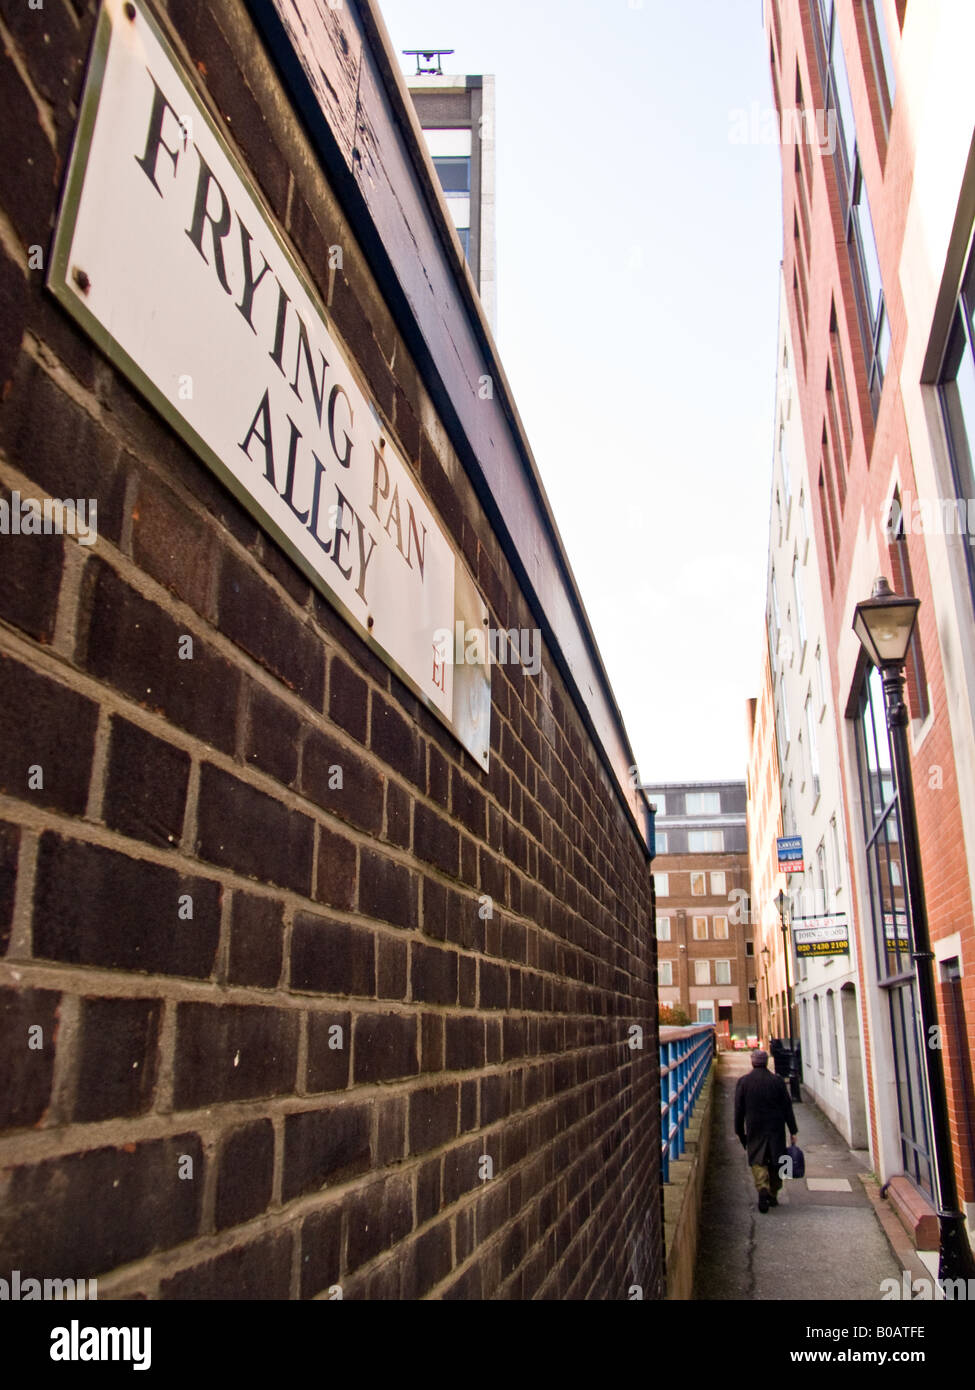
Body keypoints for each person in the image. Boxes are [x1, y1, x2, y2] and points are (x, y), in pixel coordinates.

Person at [734, 1048, 798, 1212]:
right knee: (778, 1161)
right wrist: (793, 1130)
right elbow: (787, 1107)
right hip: (776, 1128)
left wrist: (740, 1133)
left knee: (758, 1160)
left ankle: (762, 1187)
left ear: (752, 1062)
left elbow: (739, 1111)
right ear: (766, 1062)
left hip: (755, 1128)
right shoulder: (777, 1081)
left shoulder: (744, 1082)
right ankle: (774, 1192)